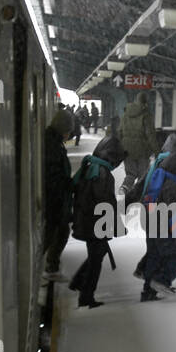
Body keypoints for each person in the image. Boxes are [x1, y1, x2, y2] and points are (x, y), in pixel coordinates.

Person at [133, 130, 176, 302]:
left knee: (154, 252)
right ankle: (160, 281)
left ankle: (148, 290)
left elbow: (141, 186)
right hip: (163, 215)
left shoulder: (159, 161)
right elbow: (173, 196)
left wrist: (125, 204)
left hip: (148, 211)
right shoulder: (175, 164)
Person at [68, 132, 126, 308]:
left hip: (86, 219)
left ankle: (78, 283)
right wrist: (114, 226)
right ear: (112, 156)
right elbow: (105, 202)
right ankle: (86, 296)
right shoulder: (102, 173)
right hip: (94, 222)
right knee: (96, 260)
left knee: (97, 254)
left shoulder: (91, 165)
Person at [42, 109, 74, 281]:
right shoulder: (52, 145)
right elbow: (53, 174)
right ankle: (49, 268)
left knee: (56, 231)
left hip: (55, 196)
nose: (69, 134)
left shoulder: (53, 141)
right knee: (55, 231)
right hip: (53, 197)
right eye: (69, 131)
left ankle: (50, 266)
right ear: (63, 129)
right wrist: (68, 184)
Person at [120, 91, 156, 194]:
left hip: (127, 149)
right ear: (145, 103)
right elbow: (151, 135)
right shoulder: (146, 115)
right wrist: (157, 152)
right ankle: (140, 199)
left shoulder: (125, 114)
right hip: (142, 150)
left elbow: (119, 131)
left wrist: (122, 147)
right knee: (143, 176)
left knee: (130, 174)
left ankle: (125, 188)